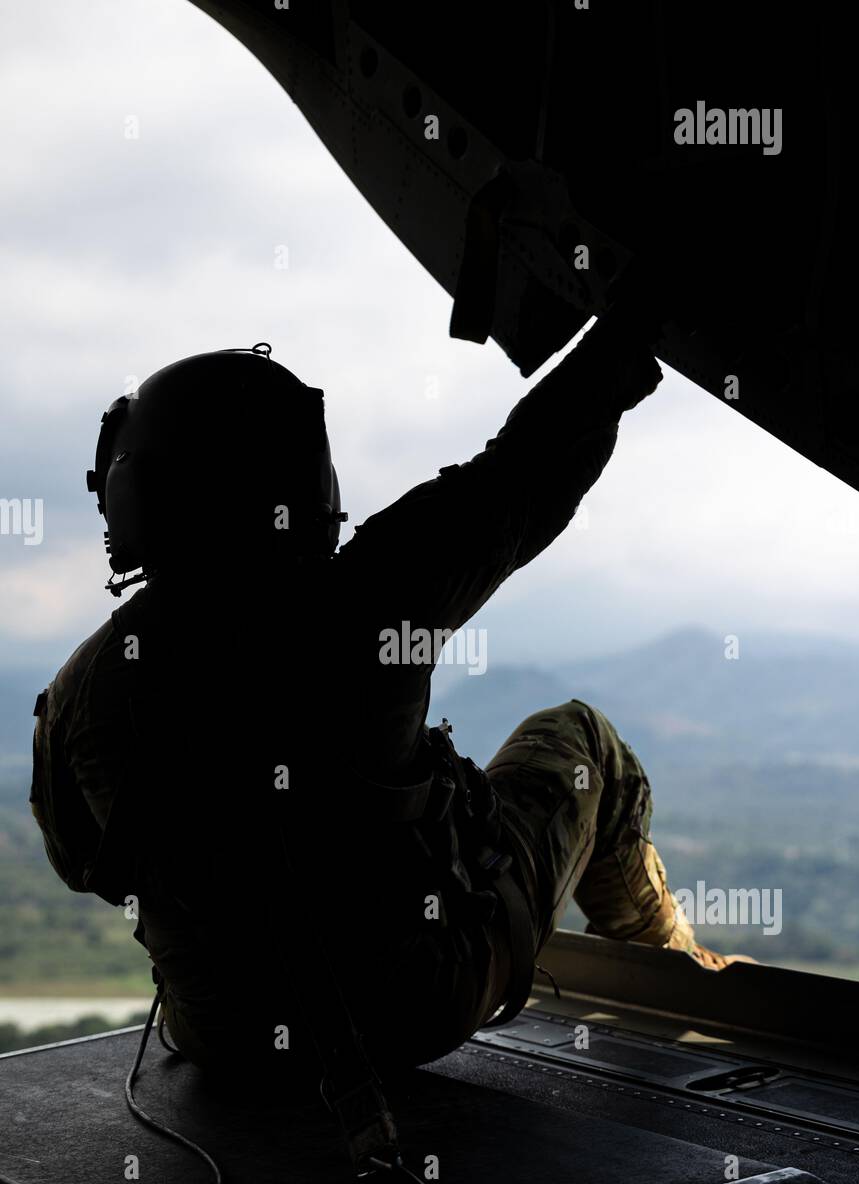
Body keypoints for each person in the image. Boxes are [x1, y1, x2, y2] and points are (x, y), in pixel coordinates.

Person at [29, 316, 744, 1088]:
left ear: (132, 493)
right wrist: (624, 342)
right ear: (302, 478)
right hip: (414, 1005)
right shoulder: (372, 597)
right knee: (582, 739)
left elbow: (85, 867)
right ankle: (672, 972)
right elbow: (525, 478)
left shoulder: (84, 685)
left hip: (224, 1033)